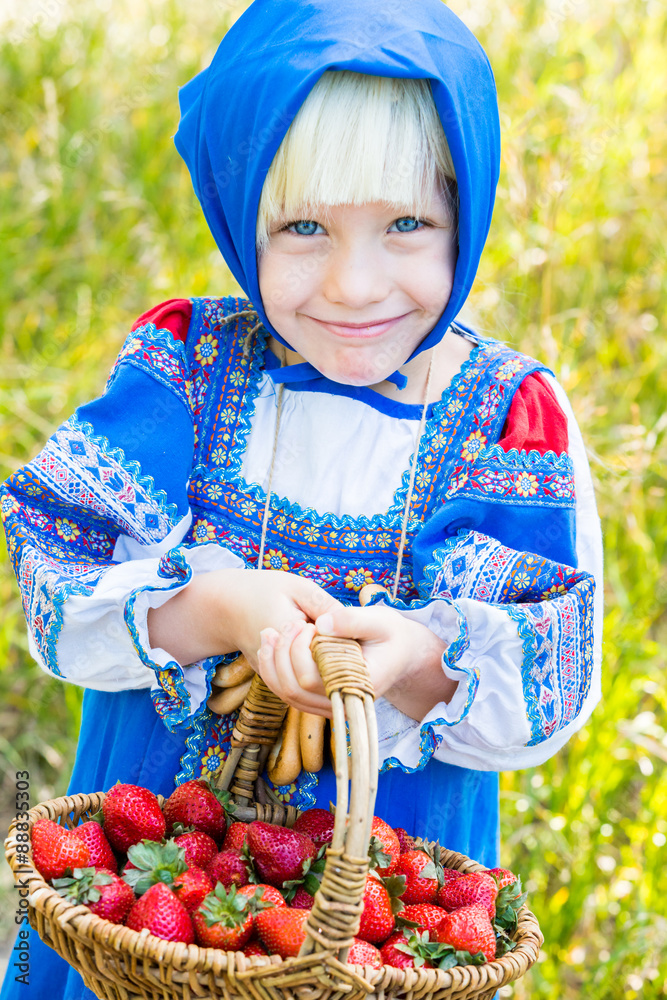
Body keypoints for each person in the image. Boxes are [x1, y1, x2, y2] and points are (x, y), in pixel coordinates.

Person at [0, 0, 602, 996]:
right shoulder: (186, 369)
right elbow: (58, 586)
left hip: (380, 907)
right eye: (303, 227)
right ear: (242, 211)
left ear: (468, 209)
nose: (354, 284)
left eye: (406, 224)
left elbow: (548, 680)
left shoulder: (505, 419)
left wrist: (414, 654)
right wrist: (223, 604)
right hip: (149, 886)